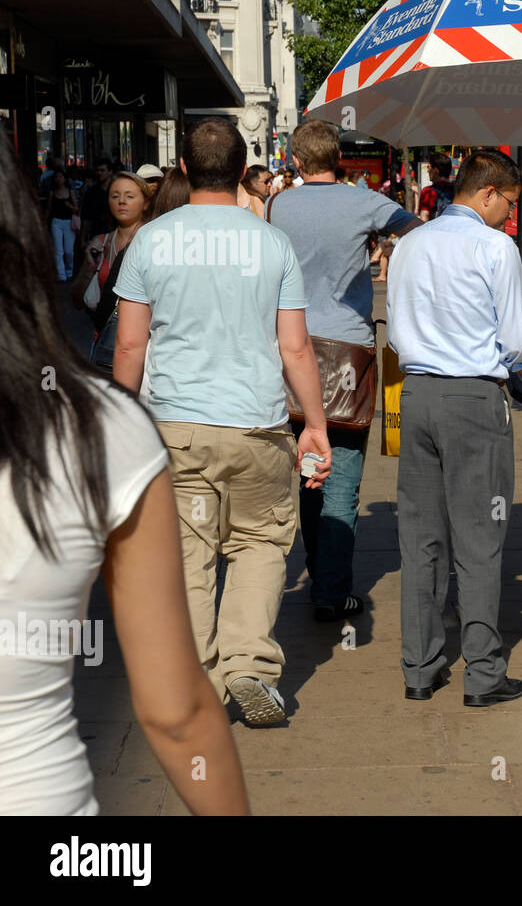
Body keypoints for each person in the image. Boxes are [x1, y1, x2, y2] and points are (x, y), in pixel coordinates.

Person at [0, 134, 249, 815]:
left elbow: (129, 335)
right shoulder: (93, 433)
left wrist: (128, 392)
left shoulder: (152, 246)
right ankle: (250, 657)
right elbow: (176, 713)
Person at [112, 117, 333, 727]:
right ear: (243, 172)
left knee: (186, 554)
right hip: (255, 425)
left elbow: (130, 348)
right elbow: (294, 349)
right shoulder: (271, 244)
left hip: (173, 426)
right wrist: (314, 422)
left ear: (182, 169)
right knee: (262, 545)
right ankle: (250, 668)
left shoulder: (151, 241)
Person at [387, 148, 522, 706]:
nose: (512, 216)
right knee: (479, 538)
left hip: (418, 394)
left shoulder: (409, 243)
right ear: (488, 194)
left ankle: (420, 667)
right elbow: (516, 341)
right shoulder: (495, 248)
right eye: (511, 203)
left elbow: (395, 331)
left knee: (421, 537)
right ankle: (482, 674)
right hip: (475, 399)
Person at [267, 119, 420, 622]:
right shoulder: (365, 200)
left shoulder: (278, 204)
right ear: (339, 159)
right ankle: (332, 589)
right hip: (349, 350)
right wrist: (381, 246)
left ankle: (318, 572)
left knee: (309, 467)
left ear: (294, 159)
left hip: (291, 347)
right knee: (345, 470)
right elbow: (416, 230)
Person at [71, 171, 155, 371]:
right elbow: (76, 301)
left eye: (130, 196)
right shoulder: (100, 243)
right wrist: (90, 267)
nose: (122, 201)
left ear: (145, 203)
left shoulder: (155, 242)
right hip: (106, 344)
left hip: (147, 347)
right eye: (115, 196)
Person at [45, 169, 79, 281]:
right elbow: (49, 209)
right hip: (56, 222)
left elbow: (77, 209)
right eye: (56, 177)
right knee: (58, 250)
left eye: (61, 177)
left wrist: (70, 206)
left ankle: (69, 272)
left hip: (69, 222)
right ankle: (61, 275)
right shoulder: (52, 193)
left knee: (69, 250)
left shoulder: (70, 192)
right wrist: (44, 222)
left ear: (65, 179)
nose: (58, 179)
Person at [79, 157, 115, 247]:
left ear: (110, 172)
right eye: (97, 170)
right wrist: (83, 239)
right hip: (96, 234)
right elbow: (85, 218)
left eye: (102, 170)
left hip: (115, 234)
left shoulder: (117, 190)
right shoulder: (91, 192)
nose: (99, 173)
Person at [418, 153, 455, 221]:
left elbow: (424, 216)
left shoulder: (428, 192)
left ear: (435, 171)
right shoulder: (458, 190)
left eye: (428, 167)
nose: (427, 171)